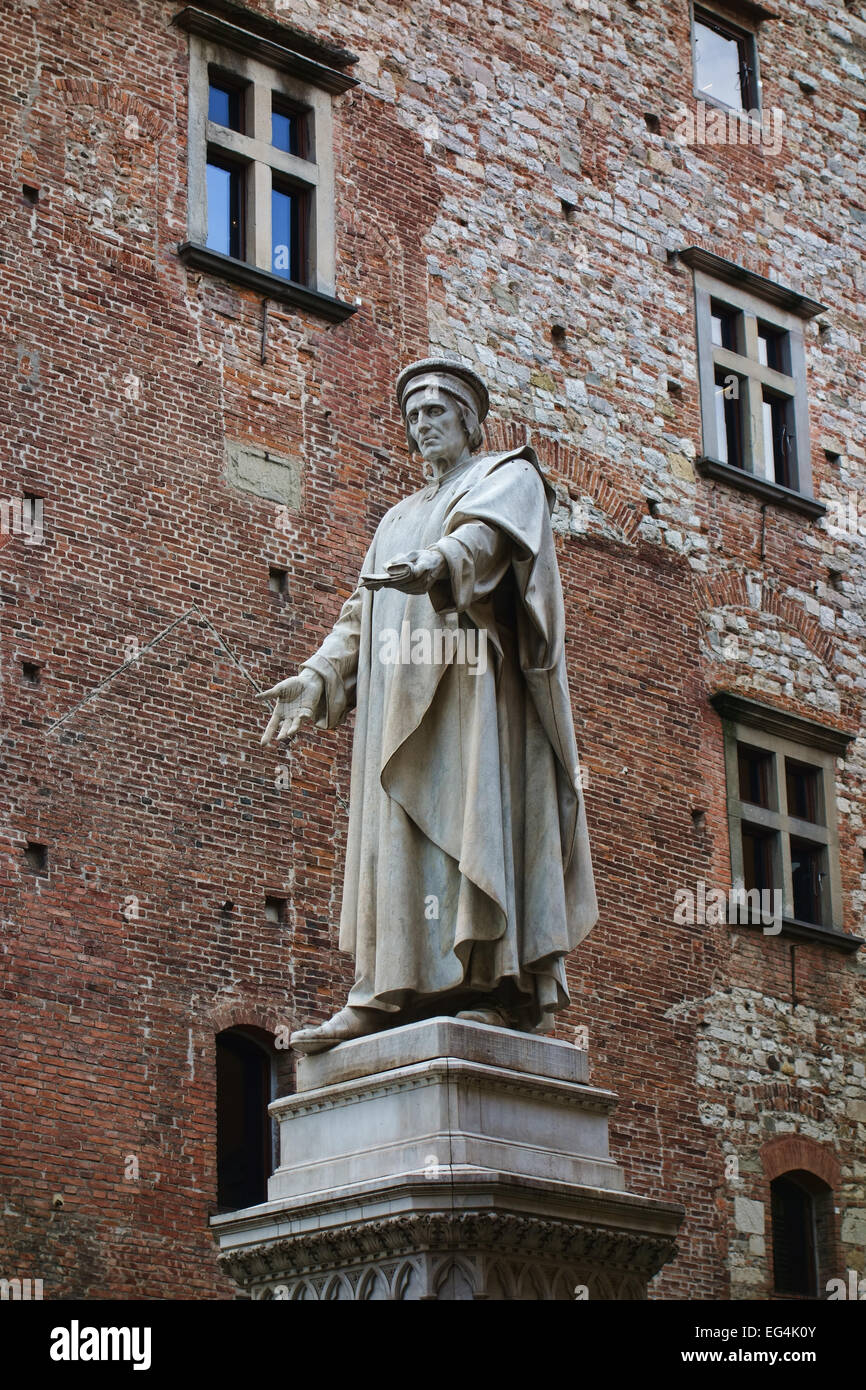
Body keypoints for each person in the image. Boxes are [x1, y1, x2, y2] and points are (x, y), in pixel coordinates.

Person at [258, 358, 597, 1052]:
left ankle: (490, 987)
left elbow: (490, 539)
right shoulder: (395, 518)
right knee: (399, 843)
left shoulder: (509, 476)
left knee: (472, 826)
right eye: (413, 418)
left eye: (435, 413)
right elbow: (361, 611)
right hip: (395, 704)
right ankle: (384, 993)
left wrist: (441, 562)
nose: (423, 427)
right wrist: (319, 676)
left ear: (470, 420)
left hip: (472, 700)